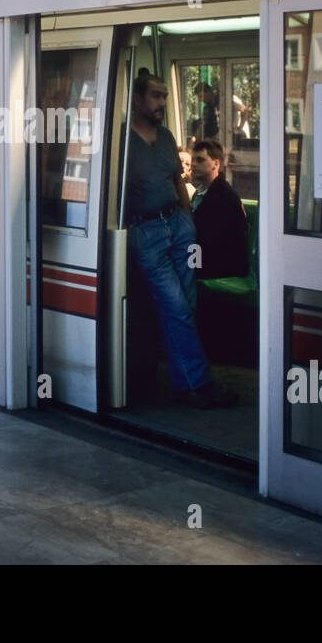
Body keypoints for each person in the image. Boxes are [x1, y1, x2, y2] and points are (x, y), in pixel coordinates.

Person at [125, 72, 238, 409]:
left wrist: (187, 219)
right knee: (175, 307)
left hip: (181, 229)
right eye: (156, 96)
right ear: (137, 99)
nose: (161, 103)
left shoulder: (165, 136)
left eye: (164, 96)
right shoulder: (122, 141)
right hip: (148, 234)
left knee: (188, 304)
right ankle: (197, 384)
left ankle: (183, 380)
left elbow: (178, 179)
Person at [190, 140, 248, 279]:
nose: (193, 164)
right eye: (193, 160)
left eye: (200, 160)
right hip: (207, 256)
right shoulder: (201, 192)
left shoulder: (224, 196)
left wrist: (190, 263)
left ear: (216, 164)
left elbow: (207, 238)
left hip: (223, 265)